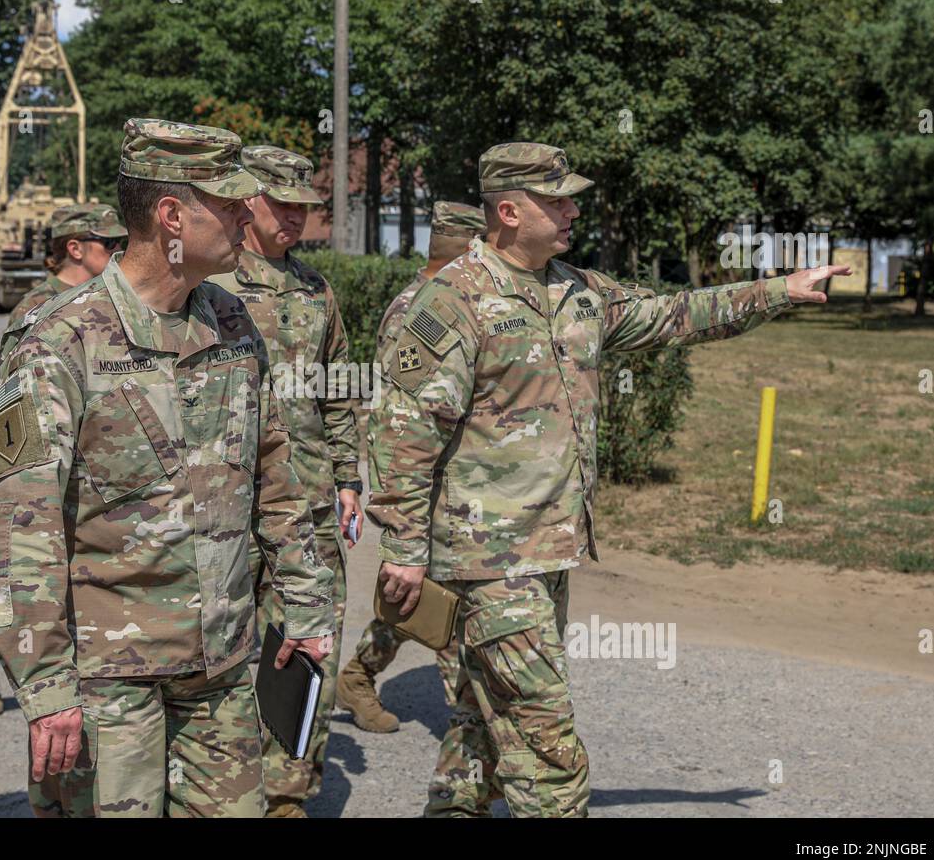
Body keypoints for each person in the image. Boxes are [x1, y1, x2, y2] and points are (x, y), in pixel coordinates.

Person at [366, 141, 850, 817]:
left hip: (548, 551)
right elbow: (403, 437)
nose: (572, 210)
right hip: (487, 565)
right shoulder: (449, 303)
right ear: (509, 210)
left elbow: (673, 316)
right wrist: (405, 553)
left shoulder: (577, 291)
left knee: (480, 726)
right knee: (548, 751)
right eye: (557, 199)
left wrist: (779, 291)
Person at [0, 119, 333, 818]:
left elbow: (278, 475)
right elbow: (15, 526)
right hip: (108, 680)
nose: (244, 216)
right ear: (171, 215)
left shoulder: (229, 319)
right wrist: (45, 685)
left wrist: (308, 605)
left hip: (222, 665)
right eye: (228, 203)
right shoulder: (61, 341)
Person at [210, 145, 360, 817]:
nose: (297, 218)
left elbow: (341, 392)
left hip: (307, 503)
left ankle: (287, 791)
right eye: (284, 205)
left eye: (306, 207)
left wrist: (350, 476)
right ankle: (212, 781)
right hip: (224, 505)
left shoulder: (315, 291)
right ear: (248, 203)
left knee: (309, 642)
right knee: (217, 646)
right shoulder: (211, 289)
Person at [336, 200, 485, 734]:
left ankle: (358, 674)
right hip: (431, 484)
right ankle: (473, 730)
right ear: (469, 248)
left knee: (428, 595)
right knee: (447, 602)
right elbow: (401, 412)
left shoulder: (444, 299)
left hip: (458, 481)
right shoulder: (420, 310)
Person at [0, 202, 128, 716]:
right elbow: (17, 401)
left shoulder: (112, 300)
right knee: (30, 586)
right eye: (110, 245)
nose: (118, 253)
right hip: (46, 473)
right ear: (76, 248)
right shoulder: (40, 309)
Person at [0, 202, 127, 362]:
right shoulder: (35, 308)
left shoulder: (117, 296)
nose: (118, 249)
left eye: (119, 241)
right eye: (109, 243)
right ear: (75, 249)